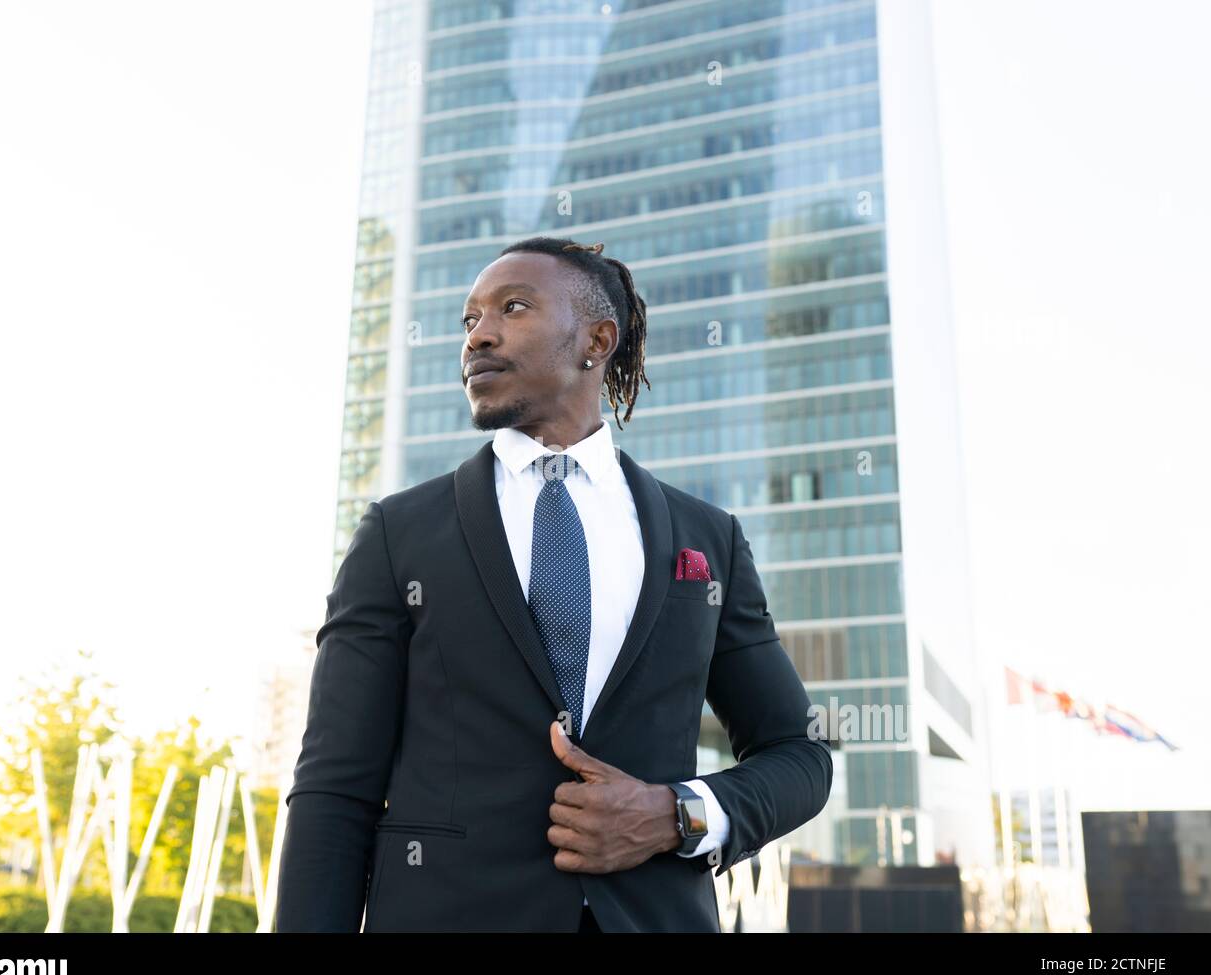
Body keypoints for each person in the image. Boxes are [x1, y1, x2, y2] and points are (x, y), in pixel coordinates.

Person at [273, 236, 833, 932]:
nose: (478, 335)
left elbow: (800, 755)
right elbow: (334, 787)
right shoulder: (398, 533)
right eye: (469, 319)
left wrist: (674, 814)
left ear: (596, 340)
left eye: (512, 308)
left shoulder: (707, 538)